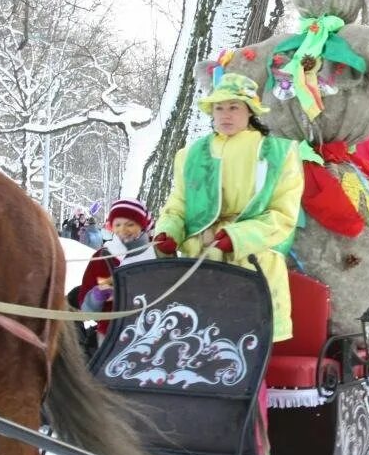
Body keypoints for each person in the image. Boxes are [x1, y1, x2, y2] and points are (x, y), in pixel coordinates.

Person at [153, 73, 304, 342]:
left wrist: (237, 237)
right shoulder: (190, 155)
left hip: (253, 264)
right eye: (219, 107)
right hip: (197, 265)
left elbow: (284, 216)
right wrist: (168, 232)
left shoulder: (280, 154)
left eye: (234, 107)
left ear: (250, 111)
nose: (225, 114)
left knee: (245, 352)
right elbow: (177, 206)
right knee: (190, 348)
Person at [76, 198, 154, 338]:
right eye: (117, 224)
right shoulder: (102, 257)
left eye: (130, 224)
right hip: (111, 335)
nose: (123, 230)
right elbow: (86, 311)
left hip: (151, 332)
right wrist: (96, 296)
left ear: (141, 226)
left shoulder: (156, 254)